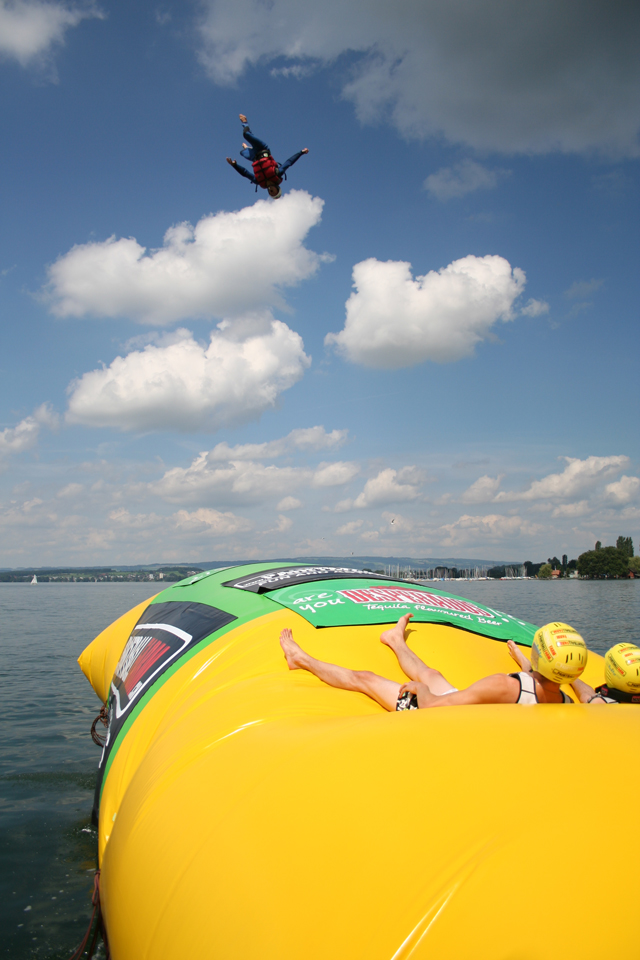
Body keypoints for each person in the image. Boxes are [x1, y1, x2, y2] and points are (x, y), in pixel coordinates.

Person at [279, 615, 586, 711]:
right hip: (467, 711)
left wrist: (421, 692)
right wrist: (520, 659)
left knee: (366, 678)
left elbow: (436, 707)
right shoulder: (565, 702)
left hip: (443, 716)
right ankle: (396, 640)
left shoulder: (504, 686)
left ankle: (300, 658)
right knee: (431, 672)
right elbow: (538, 683)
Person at [509, 638, 640, 704]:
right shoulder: (600, 703)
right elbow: (588, 695)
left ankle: (523, 660)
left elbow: (587, 695)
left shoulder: (600, 705)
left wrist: (566, 674)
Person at [226, 114, 308, 198]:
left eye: (270, 194)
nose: (271, 192)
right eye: (274, 193)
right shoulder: (277, 173)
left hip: (254, 157)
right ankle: (245, 122)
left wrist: (234, 165)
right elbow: (289, 162)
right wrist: (301, 152)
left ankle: (247, 148)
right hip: (263, 149)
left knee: (242, 152)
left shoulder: (259, 182)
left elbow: (245, 173)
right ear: (277, 188)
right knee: (246, 134)